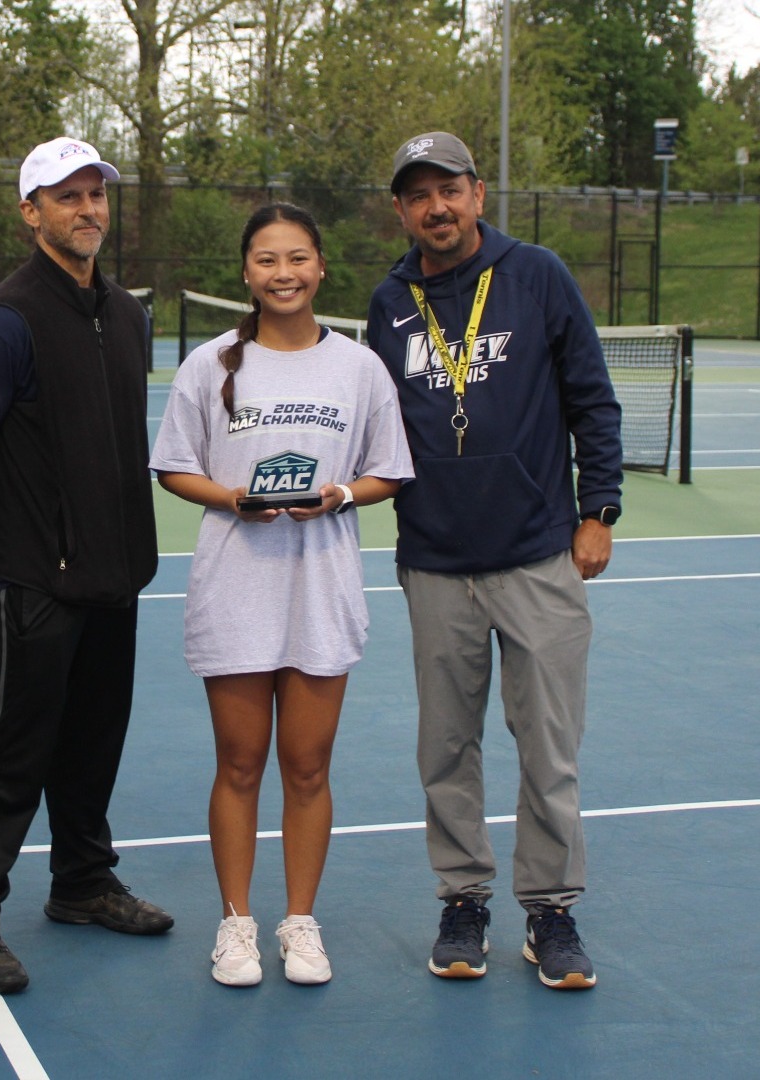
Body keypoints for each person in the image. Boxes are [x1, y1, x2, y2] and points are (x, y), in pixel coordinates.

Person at [365, 131, 622, 989]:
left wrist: (599, 511)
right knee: (446, 746)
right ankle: (463, 900)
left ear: (478, 194)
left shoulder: (537, 275)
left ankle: (551, 913)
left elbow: (592, 395)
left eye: (451, 189)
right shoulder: (389, 303)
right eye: (419, 195)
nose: (436, 206)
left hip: (538, 556)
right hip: (435, 562)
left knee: (548, 747)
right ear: (401, 210)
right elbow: (372, 423)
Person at [150, 204, 412, 987]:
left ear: (321, 267)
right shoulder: (208, 366)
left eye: (298, 258)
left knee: (307, 767)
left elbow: (389, 470)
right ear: (246, 273)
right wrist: (234, 498)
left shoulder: (360, 367)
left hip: (321, 589)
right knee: (238, 763)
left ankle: (301, 923)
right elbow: (172, 466)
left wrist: (337, 495)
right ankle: (236, 925)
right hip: (235, 587)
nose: (284, 273)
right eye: (267, 260)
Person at [0, 136, 169, 995]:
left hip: (115, 577)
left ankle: (82, 883)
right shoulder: (8, 320)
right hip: (31, 582)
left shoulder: (129, 315)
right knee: (7, 752)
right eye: (66, 197)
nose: (88, 210)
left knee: (93, 742)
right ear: (31, 212)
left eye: (96, 194)